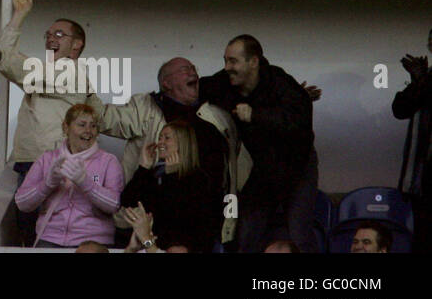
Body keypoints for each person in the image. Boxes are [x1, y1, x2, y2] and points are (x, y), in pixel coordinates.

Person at [0, 0, 95, 246]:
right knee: (28, 239)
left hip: (54, 165)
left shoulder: (74, 73)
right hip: (31, 163)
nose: (51, 37)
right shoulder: (44, 71)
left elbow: (16, 67)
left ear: (77, 45)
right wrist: (18, 16)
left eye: (60, 34)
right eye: (48, 33)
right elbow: (12, 62)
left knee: (46, 238)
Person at [93, 56, 242, 245]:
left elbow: (232, 160)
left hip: (207, 226)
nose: (192, 71)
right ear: (166, 83)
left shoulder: (217, 116)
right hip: (151, 228)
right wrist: (146, 168)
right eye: (183, 69)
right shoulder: (146, 108)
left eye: (192, 67)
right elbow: (103, 118)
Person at [200, 35, 317, 253]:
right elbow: (195, 90)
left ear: (253, 61)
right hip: (263, 168)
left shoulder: (280, 82)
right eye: (225, 60)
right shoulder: (224, 82)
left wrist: (256, 115)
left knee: (299, 235)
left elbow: (300, 125)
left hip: (298, 167)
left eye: (233, 61)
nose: (227, 67)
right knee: (247, 232)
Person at [14, 103, 123, 248]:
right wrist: (47, 184)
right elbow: (22, 203)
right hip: (50, 239)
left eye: (93, 126)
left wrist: (85, 182)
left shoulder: (108, 161)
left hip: (93, 242)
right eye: (82, 125)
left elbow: (114, 205)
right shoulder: (47, 159)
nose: (88, 131)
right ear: (66, 127)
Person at [118, 120, 222, 252]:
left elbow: (177, 220)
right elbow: (128, 201)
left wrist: (172, 178)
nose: (160, 142)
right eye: (160, 137)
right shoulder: (157, 174)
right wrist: (144, 167)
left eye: (167, 138)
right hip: (156, 247)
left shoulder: (199, 179)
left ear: (183, 143)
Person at [394, 27, 431, 253]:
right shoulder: (426, 79)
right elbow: (399, 110)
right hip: (423, 177)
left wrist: (422, 81)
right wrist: (418, 81)